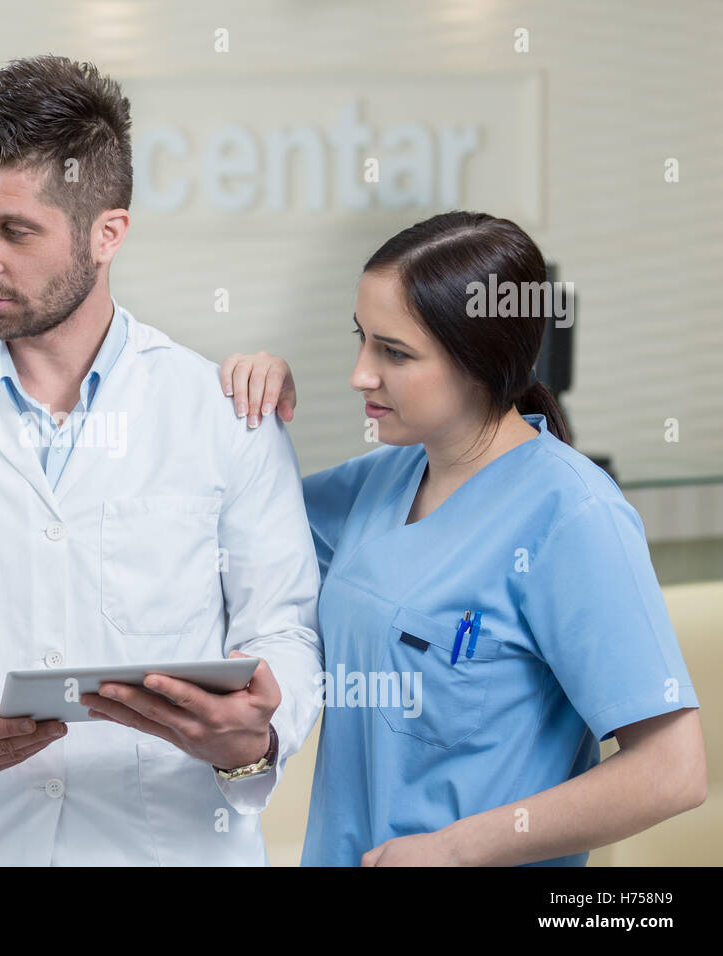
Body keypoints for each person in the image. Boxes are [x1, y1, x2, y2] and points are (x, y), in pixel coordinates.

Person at [0, 55, 323, 865]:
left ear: (107, 232)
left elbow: (284, 626)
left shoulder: (225, 414)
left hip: (169, 840)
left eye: (16, 230)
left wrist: (262, 725)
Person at [220, 210, 706, 865]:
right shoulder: (377, 484)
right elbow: (224, 527)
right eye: (362, 339)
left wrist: (455, 850)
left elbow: (672, 770)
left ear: (478, 361)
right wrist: (249, 407)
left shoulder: (574, 514)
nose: (360, 374)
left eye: (394, 352)